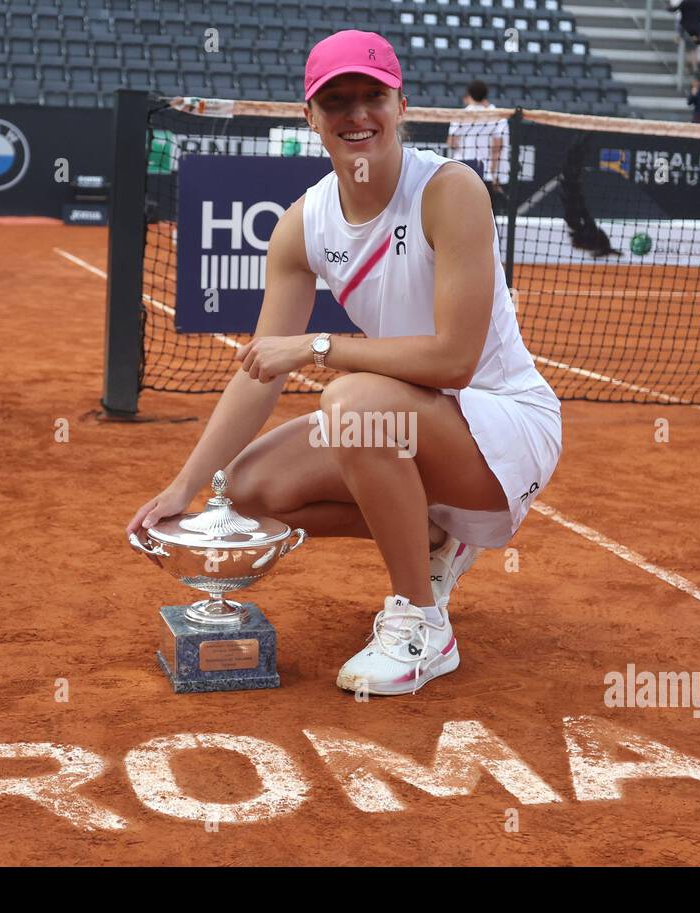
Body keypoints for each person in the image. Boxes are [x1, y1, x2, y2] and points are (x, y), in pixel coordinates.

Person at [126, 30, 562, 697]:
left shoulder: (450, 191)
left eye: (372, 97)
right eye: (337, 102)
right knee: (242, 492)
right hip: (409, 419)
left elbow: (453, 361)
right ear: (311, 117)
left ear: (401, 105)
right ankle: (437, 539)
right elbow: (258, 374)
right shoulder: (304, 224)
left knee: (354, 404)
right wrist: (186, 487)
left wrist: (317, 347)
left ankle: (421, 624)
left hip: (504, 431)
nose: (357, 115)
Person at [446, 80, 509, 215]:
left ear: (469, 95)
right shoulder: (498, 116)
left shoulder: (460, 115)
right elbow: (497, 147)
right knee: (486, 214)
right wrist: (494, 175)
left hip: (463, 170)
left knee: (461, 213)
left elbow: (451, 143)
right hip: (484, 174)